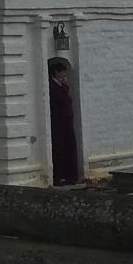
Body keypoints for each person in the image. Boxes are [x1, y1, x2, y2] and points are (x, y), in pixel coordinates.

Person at [48, 57, 80, 186]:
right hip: (59, 123)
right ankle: (60, 176)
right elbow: (60, 99)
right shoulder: (53, 86)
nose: (65, 75)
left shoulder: (61, 85)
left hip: (66, 122)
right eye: (62, 72)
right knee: (60, 149)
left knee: (68, 148)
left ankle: (69, 175)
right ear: (56, 72)